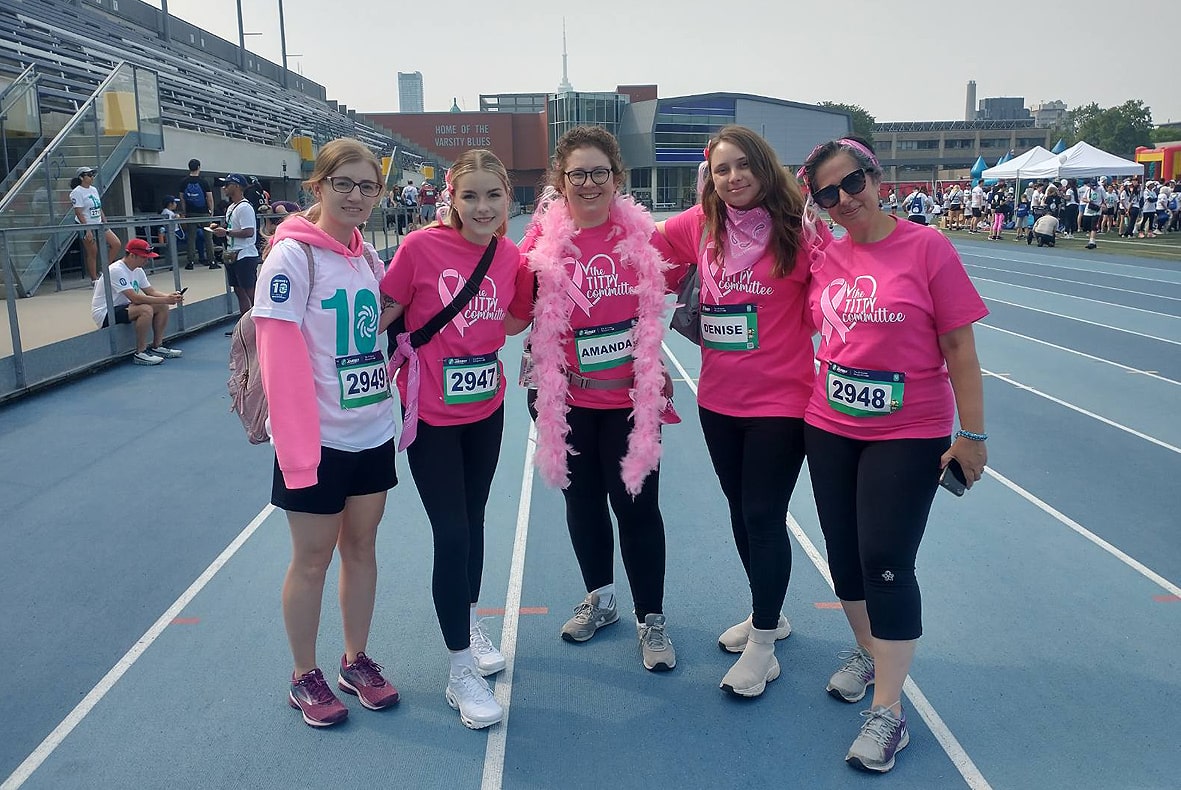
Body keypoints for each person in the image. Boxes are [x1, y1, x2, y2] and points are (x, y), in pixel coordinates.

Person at [801, 137, 988, 773]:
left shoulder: (927, 248)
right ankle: (866, 648)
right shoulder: (823, 251)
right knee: (844, 555)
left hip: (908, 432)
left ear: (875, 178)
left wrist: (974, 433)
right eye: (827, 194)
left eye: (852, 184)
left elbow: (960, 349)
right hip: (828, 425)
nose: (844, 201)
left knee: (885, 560)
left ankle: (888, 713)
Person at [654, 125, 828, 696]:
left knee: (762, 514)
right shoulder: (700, 227)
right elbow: (633, 247)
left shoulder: (800, 232)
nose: (733, 179)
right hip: (719, 399)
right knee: (739, 510)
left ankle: (762, 647)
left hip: (783, 399)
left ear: (764, 167)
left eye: (743, 166)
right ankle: (768, 616)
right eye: (722, 169)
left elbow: (851, 278)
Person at [514, 126, 679, 676]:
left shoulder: (641, 237)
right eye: (577, 174)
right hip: (564, 402)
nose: (588, 183)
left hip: (631, 402)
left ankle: (651, 617)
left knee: (637, 507)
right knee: (581, 503)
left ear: (617, 179)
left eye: (599, 173)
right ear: (560, 181)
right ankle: (601, 598)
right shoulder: (539, 241)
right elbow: (494, 282)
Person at [380, 149, 531, 729]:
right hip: (432, 417)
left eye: (493, 196)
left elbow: (512, 319)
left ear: (507, 200)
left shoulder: (509, 253)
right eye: (470, 196)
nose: (482, 207)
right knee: (452, 530)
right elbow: (383, 315)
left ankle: (467, 620)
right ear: (451, 197)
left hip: (486, 409)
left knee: (476, 517)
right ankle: (459, 671)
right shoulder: (419, 248)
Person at [252, 138, 400, 728]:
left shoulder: (366, 257)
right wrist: (296, 453)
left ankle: (355, 660)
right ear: (319, 188)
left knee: (362, 549)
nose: (358, 196)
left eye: (368, 187)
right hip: (316, 443)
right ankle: (303, 674)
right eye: (345, 184)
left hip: (371, 432)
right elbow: (278, 360)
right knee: (311, 559)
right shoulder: (292, 258)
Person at [90, 238, 183, 365]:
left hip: (124, 307)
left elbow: (151, 292)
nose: (147, 260)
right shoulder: (116, 270)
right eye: (144, 257)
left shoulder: (138, 270)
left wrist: (170, 297)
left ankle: (157, 346)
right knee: (146, 309)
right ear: (132, 255)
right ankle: (140, 353)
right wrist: (166, 299)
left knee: (161, 306)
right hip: (105, 313)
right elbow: (135, 298)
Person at [211, 174, 261, 329]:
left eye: (228, 184)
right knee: (239, 291)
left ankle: (259, 325)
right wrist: (221, 229)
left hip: (245, 254)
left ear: (238, 186)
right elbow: (233, 227)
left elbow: (249, 232)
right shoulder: (232, 207)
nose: (224, 187)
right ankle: (245, 326)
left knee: (250, 291)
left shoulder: (245, 207)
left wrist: (226, 232)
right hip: (233, 254)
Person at [70, 166, 121, 283]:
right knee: (93, 251)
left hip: (98, 222)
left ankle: (105, 269)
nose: (92, 177)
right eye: (89, 175)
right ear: (82, 177)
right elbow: (78, 211)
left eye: (93, 175)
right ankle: (94, 279)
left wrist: (104, 219)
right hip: (86, 224)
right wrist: (87, 229)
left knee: (116, 243)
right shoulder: (76, 192)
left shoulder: (93, 189)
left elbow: (98, 206)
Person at [179, 158, 217, 270]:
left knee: (191, 238)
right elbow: (209, 198)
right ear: (199, 167)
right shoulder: (203, 181)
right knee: (208, 238)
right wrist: (211, 211)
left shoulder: (184, 182)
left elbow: (182, 199)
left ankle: (190, 262)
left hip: (190, 213)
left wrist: (185, 212)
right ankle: (212, 261)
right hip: (204, 213)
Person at [1079, 180, 1103, 249]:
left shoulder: (1101, 189)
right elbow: (1083, 198)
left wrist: (1103, 205)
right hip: (1088, 210)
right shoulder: (1088, 190)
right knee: (1087, 226)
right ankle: (1091, 239)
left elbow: (1105, 198)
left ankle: (1092, 241)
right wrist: (1088, 201)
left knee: (1093, 226)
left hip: (1096, 210)